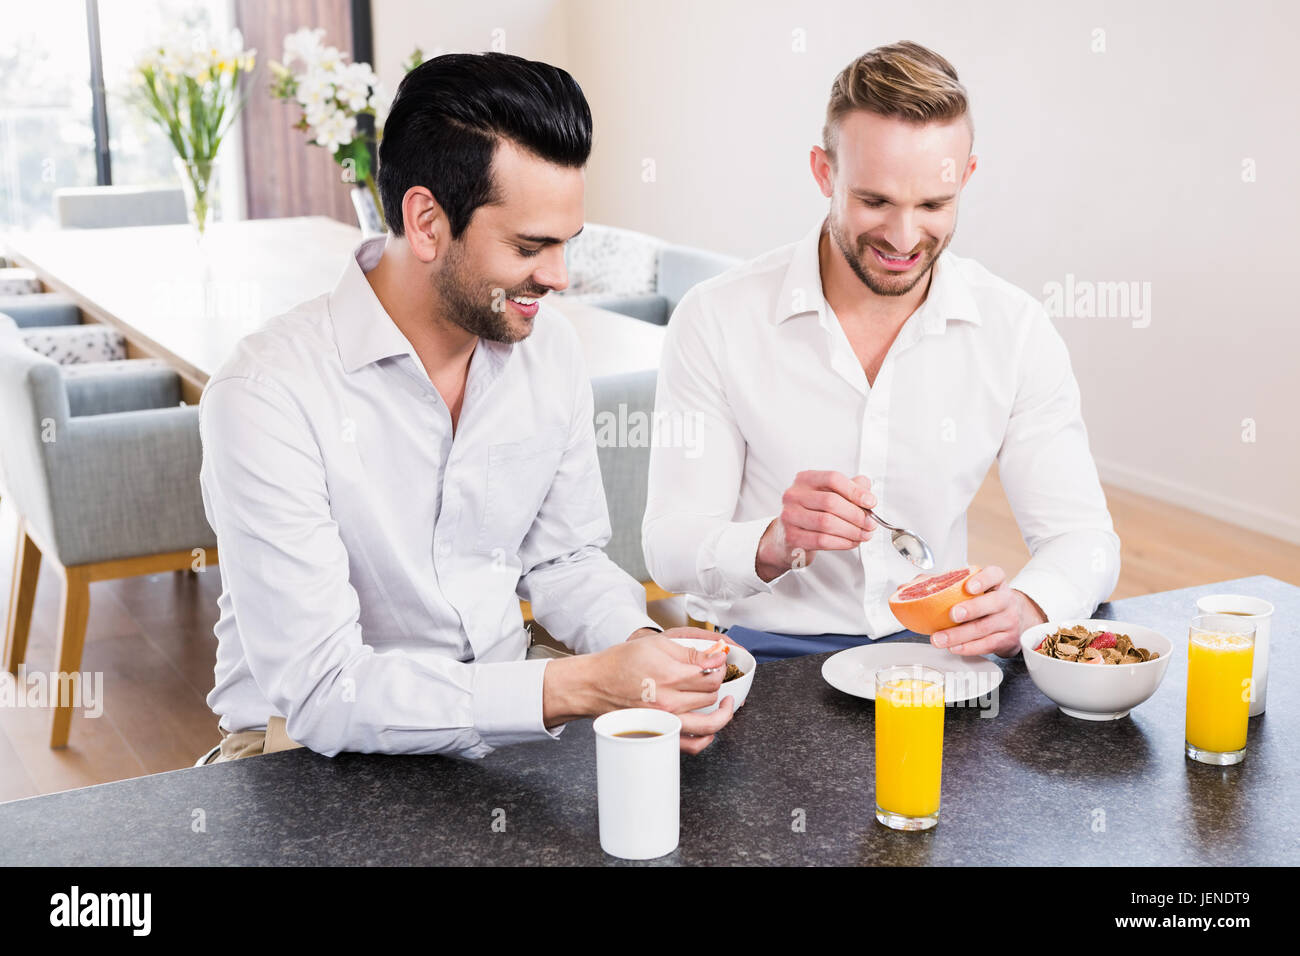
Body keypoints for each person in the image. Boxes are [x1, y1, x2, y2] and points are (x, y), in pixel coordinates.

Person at [198, 52, 734, 762]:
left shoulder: (549, 354)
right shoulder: (267, 396)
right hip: (300, 756)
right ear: (426, 220)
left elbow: (565, 559)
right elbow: (329, 690)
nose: (559, 277)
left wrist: (639, 648)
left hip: (498, 733)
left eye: (567, 245)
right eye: (529, 246)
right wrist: (579, 686)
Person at [642, 41, 1120, 662]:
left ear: (966, 178)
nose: (902, 237)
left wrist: (1029, 606)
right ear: (824, 173)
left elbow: (1084, 539)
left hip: (934, 657)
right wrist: (772, 540)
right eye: (875, 202)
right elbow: (669, 547)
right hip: (762, 656)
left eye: (933, 205)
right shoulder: (716, 318)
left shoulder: (1015, 329)